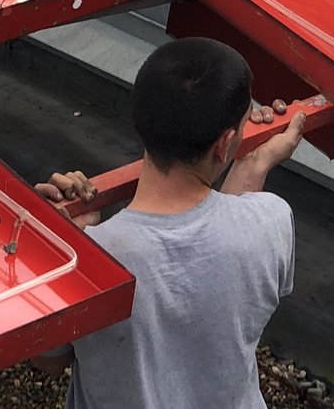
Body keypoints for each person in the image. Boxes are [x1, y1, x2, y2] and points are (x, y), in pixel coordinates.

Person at [32, 36, 307, 409]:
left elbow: (49, 358)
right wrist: (254, 163)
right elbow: (219, 242)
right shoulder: (271, 223)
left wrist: (51, 252)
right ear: (226, 144)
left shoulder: (91, 259)